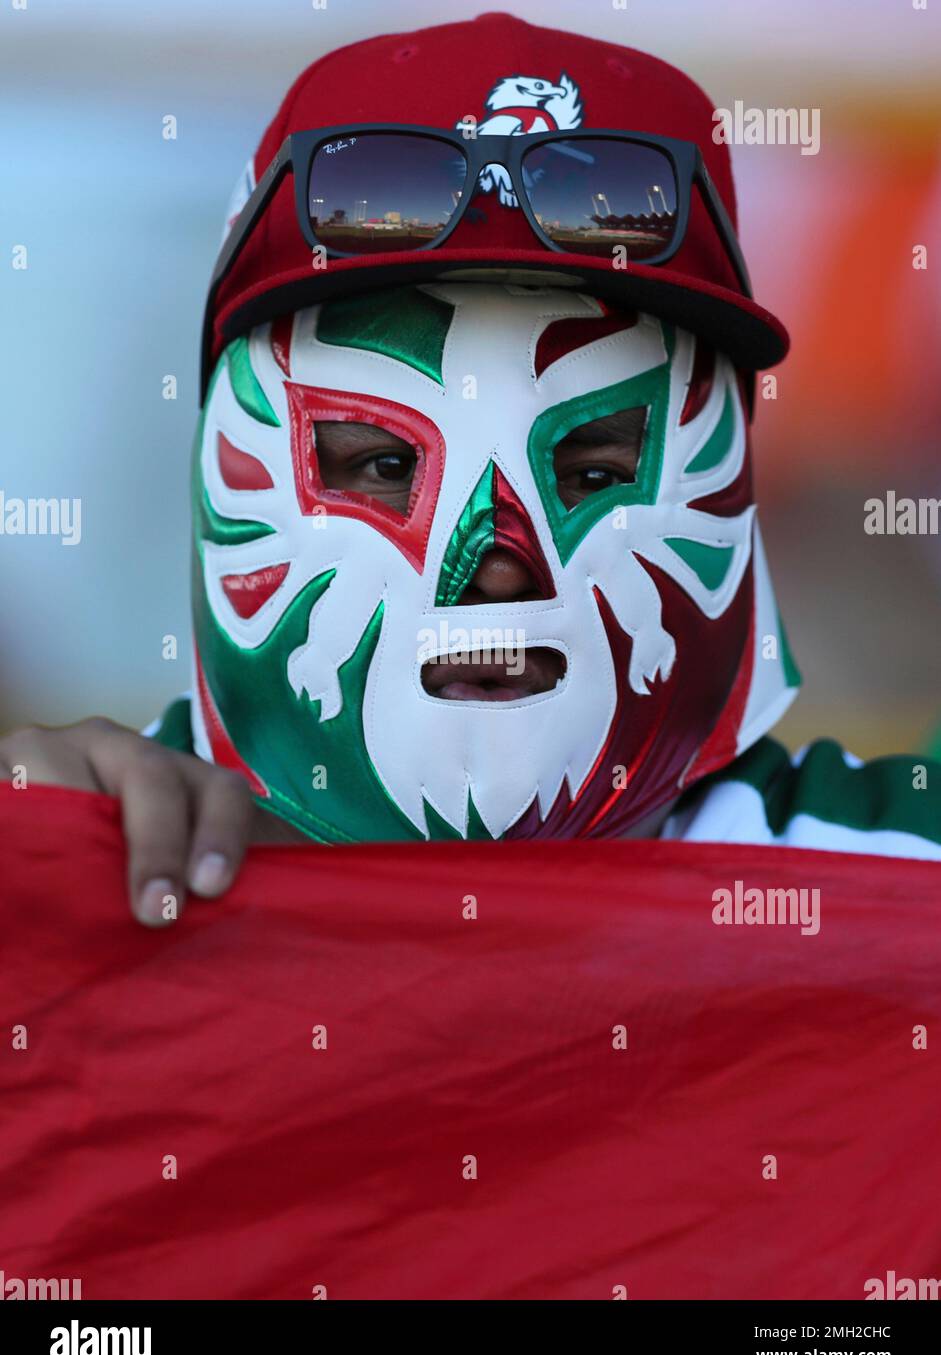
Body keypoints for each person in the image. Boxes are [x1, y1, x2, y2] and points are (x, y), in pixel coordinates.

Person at [2, 13, 938, 928]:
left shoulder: (895, 893)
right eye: (379, 464)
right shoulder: (70, 875)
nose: (494, 563)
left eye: (592, 473)